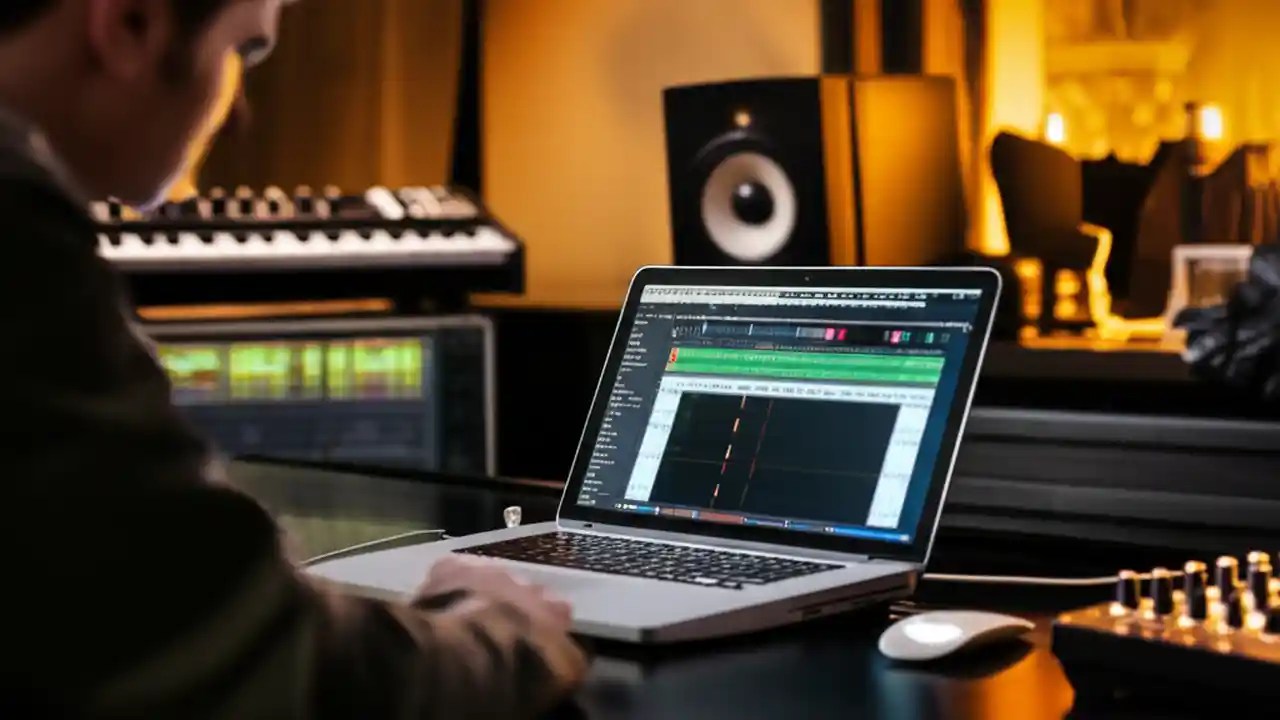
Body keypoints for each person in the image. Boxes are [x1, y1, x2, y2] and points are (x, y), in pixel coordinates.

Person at [0, 1, 587, 717]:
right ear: (130, 24)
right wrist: (501, 632)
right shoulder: (19, 243)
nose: (238, 115)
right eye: (241, 55)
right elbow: (273, 670)